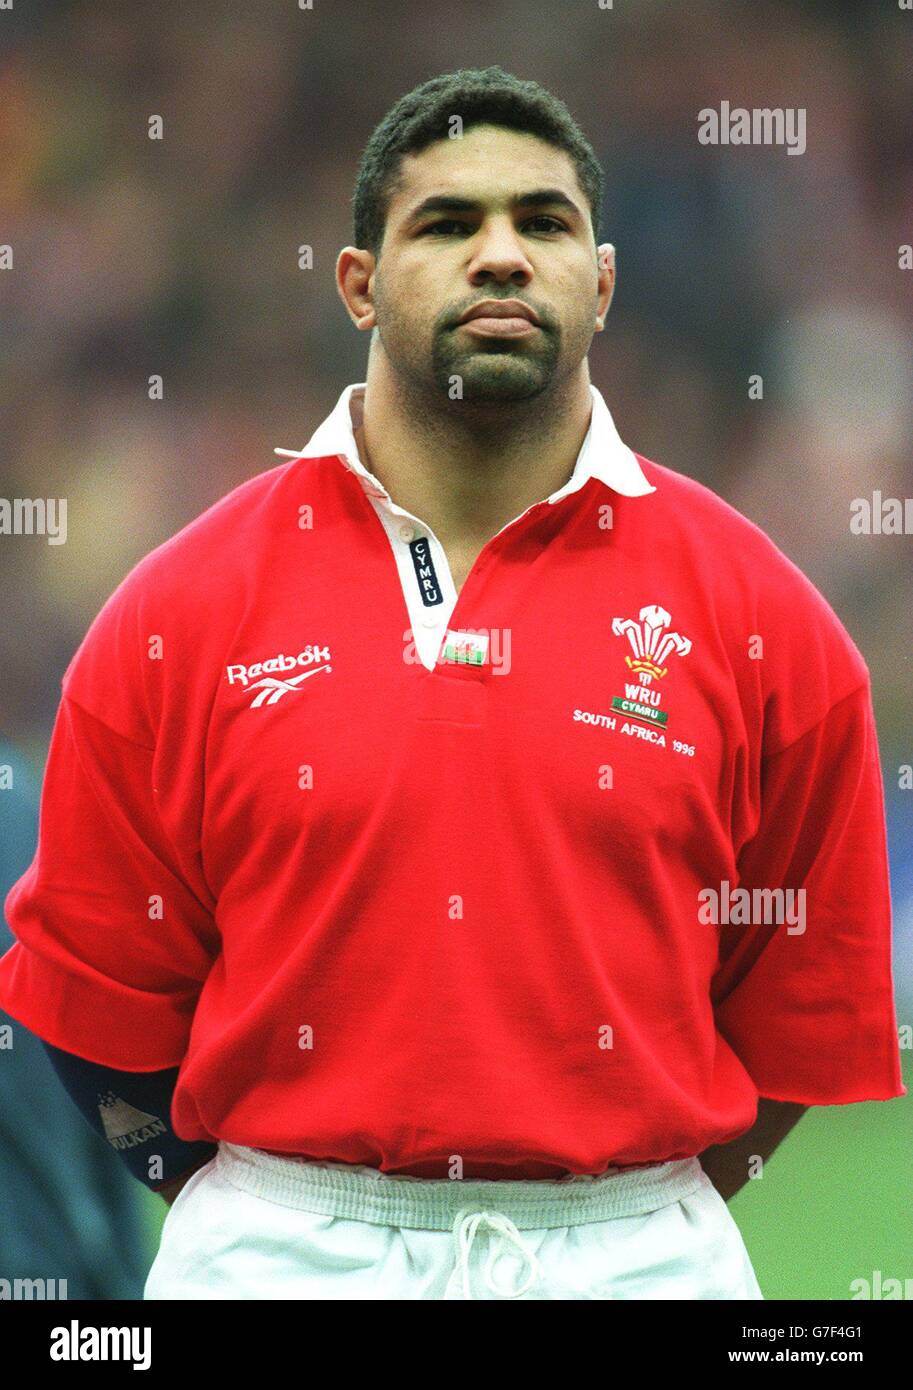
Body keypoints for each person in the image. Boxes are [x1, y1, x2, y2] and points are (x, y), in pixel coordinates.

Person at [0, 66, 904, 1301]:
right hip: (278, 1252)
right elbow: (95, 1011)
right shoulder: (177, 612)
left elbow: (795, 1028)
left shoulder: (766, 625)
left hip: (640, 1258)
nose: (501, 255)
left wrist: (617, 1204)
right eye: (446, 222)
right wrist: (274, 1201)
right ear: (358, 284)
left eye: (543, 222)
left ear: (603, 279)